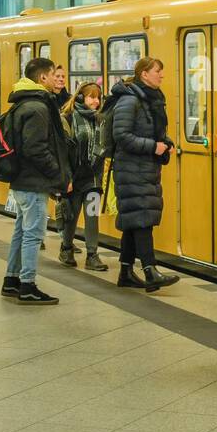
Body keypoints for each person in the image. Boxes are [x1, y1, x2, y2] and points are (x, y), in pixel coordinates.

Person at [0, 56, 70, 305]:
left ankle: (11, 280)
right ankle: (28, 284)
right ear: (42, 77)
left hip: (22, 180)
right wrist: (57, 173)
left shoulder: (22, 103)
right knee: (33, 234)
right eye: (53, 75)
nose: (57, 80)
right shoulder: (38, 108)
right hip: (33, 181)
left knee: (21, 231)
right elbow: (35, 148)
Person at [108, 57, 178, 291]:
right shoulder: (130, 101)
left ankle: (126, 272)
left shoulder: (151, 100)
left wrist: (166, 143)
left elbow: (155, 131)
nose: (162, 75)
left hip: (144, 168)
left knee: (133, 219)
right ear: (144, 74)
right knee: (142, 220)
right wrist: (152, 147)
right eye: (158, 71)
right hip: (130, 169)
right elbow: (122, 136)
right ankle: (150, 271)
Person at [58, 81, 108, 272]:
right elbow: (63, 151)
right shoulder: (68, 118)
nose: (96, 101)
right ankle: (66, 248)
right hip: (74, 177)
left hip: (93, 178)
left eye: (98, 97)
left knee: (92, 216)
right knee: (71, 217)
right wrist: (66, 178)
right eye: (92, 97)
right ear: (80, 98)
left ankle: (92, 255)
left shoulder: (100, 119)